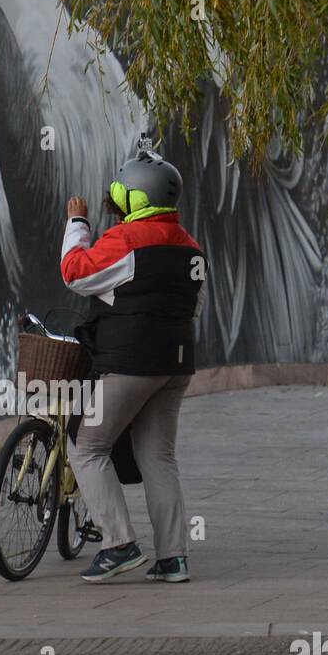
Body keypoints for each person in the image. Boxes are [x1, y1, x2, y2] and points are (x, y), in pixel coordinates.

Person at [60, 142, 206, 583]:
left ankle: (119, 543)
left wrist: (77, 224)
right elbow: (193, 307)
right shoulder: (191, 247)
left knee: (88, 447)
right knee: (158, 457)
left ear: (135, 197)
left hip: (129, 364)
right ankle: (173, 558)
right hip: (175, 364)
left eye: (122, 189)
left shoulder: (124, 240)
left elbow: (75, 272)